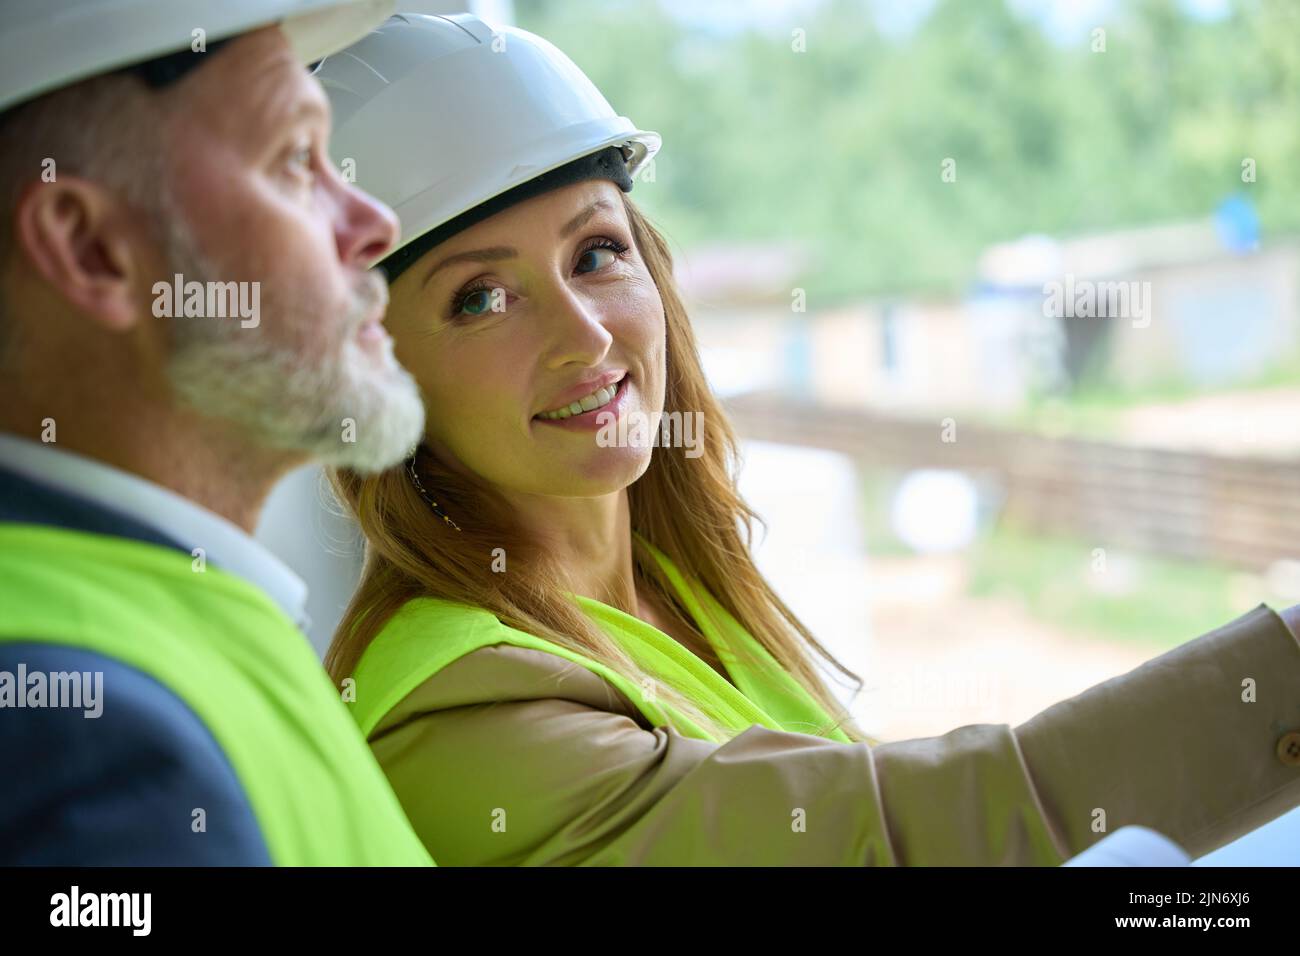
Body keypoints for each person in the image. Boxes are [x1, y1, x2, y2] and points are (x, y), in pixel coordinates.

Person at [319, 13, 1300, 865]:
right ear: (378, 366)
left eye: (596, 251)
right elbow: (901, 835)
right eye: (480, 296)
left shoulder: (675, 589)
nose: (584, 332)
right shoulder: (456, 713)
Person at [0, 0, 433, 865]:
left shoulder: (175, 620)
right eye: (296, 161)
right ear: (91, 250)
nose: (373, 224)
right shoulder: (87, 740)